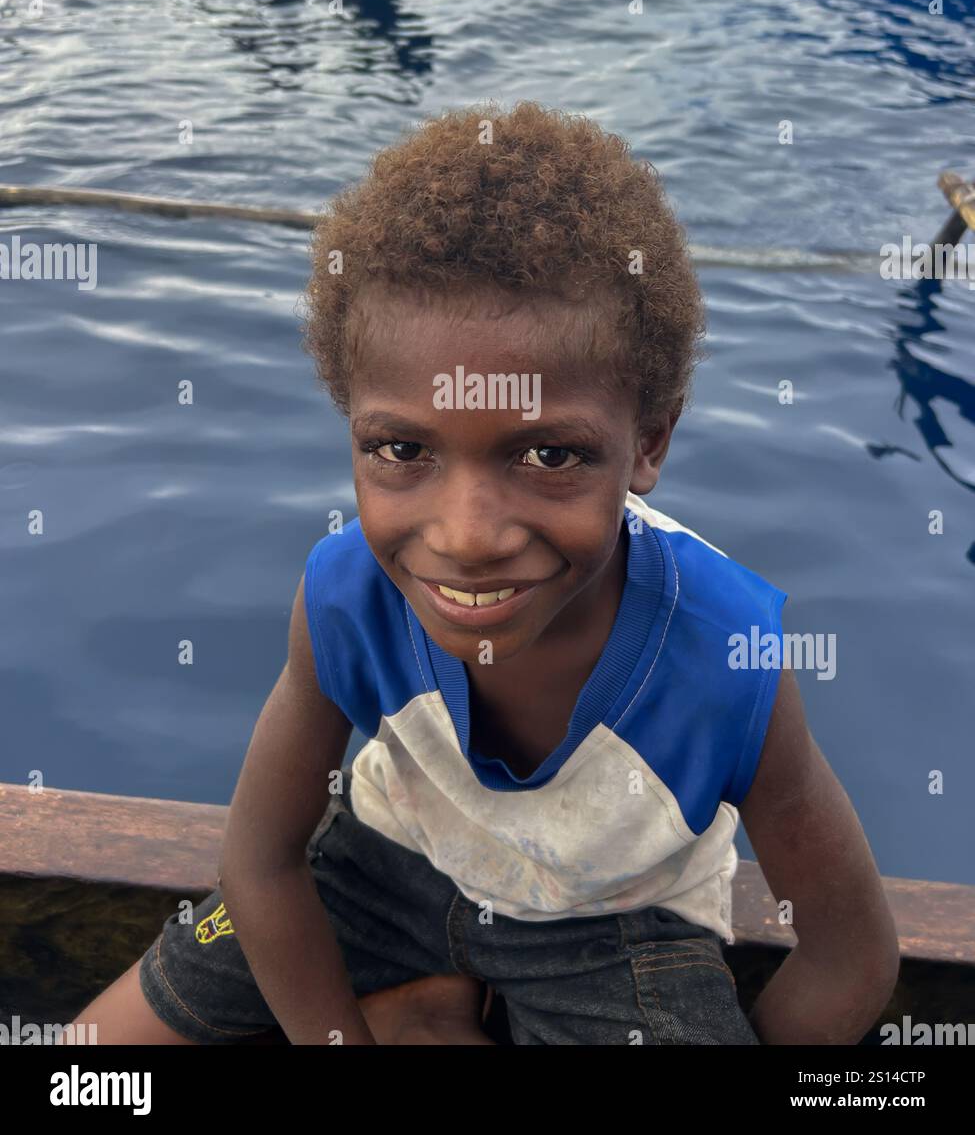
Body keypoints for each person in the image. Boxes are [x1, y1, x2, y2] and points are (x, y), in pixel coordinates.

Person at [67, 104, 900, 1046]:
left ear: (649, 443)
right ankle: (421, 1001)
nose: (466, 537)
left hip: (606, 932)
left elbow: (849, 955)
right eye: (400, 448)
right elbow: (261, 867)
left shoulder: (723, 656)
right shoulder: (348, 594)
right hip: (383, 871)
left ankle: (425, 1008)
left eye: (547, 456)